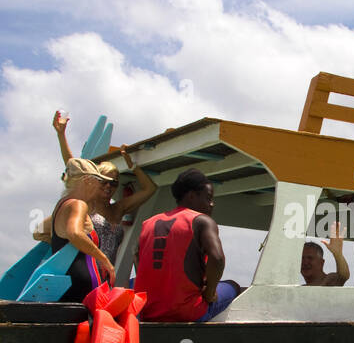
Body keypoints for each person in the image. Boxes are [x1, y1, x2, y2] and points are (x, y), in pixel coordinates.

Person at [135, 168, 241, 322]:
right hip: (187, 312)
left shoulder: (149, 223)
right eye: (208, 198)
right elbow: (217, 259)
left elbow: (136, 256)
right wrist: (210, 292)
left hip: (147, 311)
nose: (212, 204)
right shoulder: (201, 221)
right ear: (192, 196)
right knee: (233, 286)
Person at [51, 110, 156, 261]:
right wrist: (61, 135)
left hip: (106, 275)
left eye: (114, 183)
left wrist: (133, 166)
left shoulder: (117, 209)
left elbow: (150, 189)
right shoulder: (86, 204)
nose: (108, 186)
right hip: (87, 270)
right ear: (93, 182)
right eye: (103, 181)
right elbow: (73, 166)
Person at [47, 158, 119, 302]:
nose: (100, 187)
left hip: (68, 285)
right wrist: (104, 259)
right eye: (99, 181)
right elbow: (74, 233)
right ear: (88, 181)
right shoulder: (78, 204)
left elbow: (39, 231)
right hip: (80, 291)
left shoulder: (62, 204)